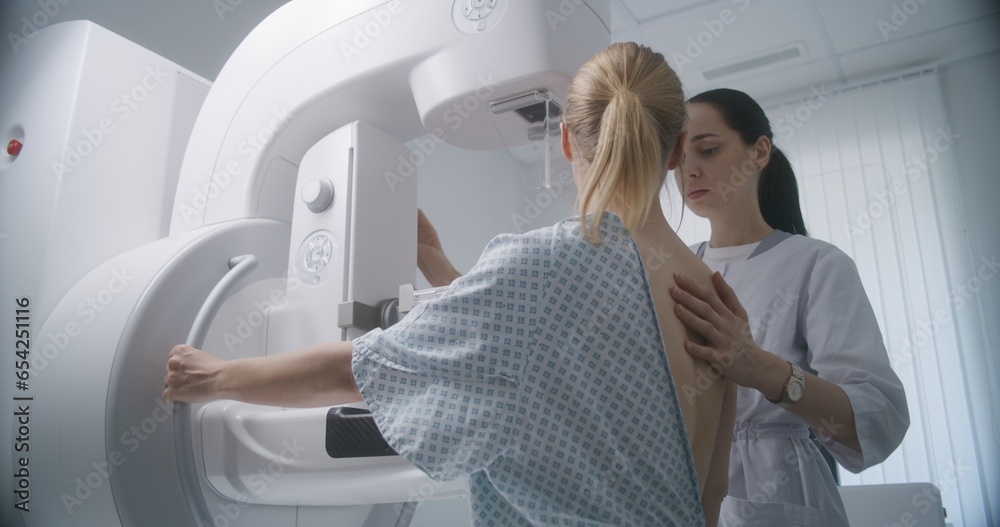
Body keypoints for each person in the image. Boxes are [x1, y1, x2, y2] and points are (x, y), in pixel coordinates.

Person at [165, 42, 737, 527]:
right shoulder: (714, 295)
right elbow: (705, 493)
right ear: (679, 150)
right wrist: (437, 265)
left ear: (565, 140)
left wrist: (217, 376)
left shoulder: (542, 268)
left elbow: (360, 369)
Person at [668, 88, 910, 526]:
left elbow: (881, 420)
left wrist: (763, 370)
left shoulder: (817, 264)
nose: (690, 170)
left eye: (707, 149)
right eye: (679, 156)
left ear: (760, 151)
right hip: (684, 492)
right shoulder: (673, 269)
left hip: (783, 495)